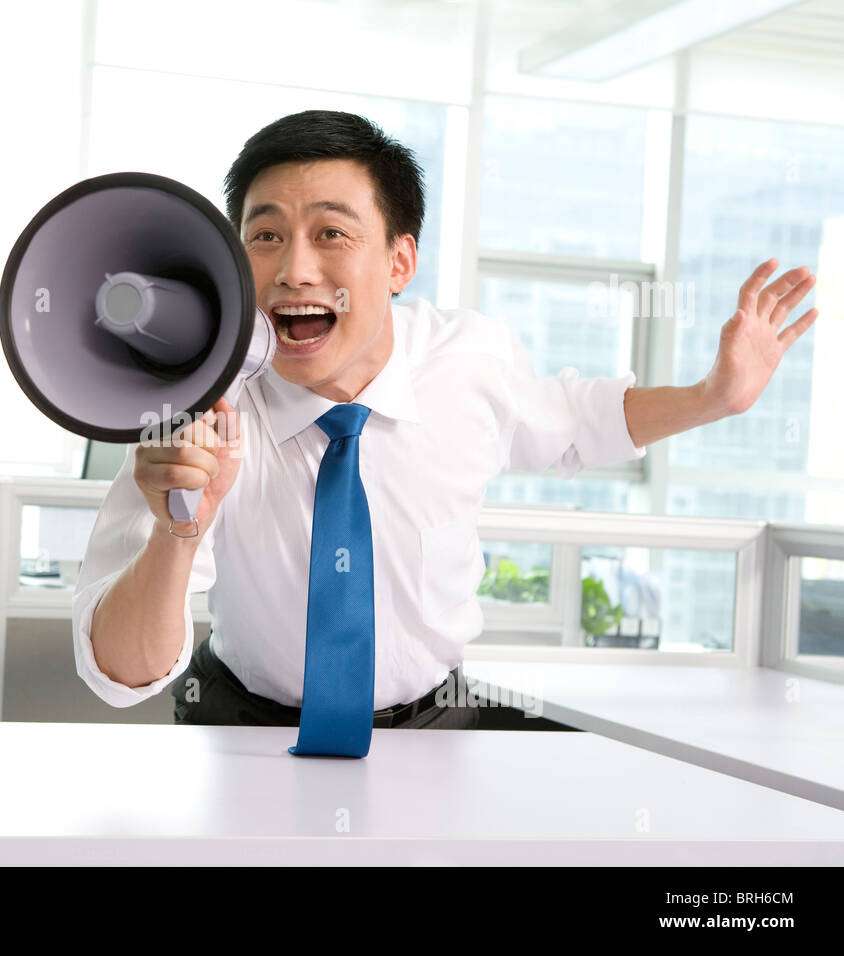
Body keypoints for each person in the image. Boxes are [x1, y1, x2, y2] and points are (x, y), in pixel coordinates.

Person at [69, 109, 819, 735]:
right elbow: (120, 674)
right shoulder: (199, 401)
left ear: (399, 263)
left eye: (331, 233)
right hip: (240, 727)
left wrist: (713, 397)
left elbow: (576, 421)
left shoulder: (469, 358)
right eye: (265, 236)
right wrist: (180, 531)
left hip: (435, 726)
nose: (295, 270)